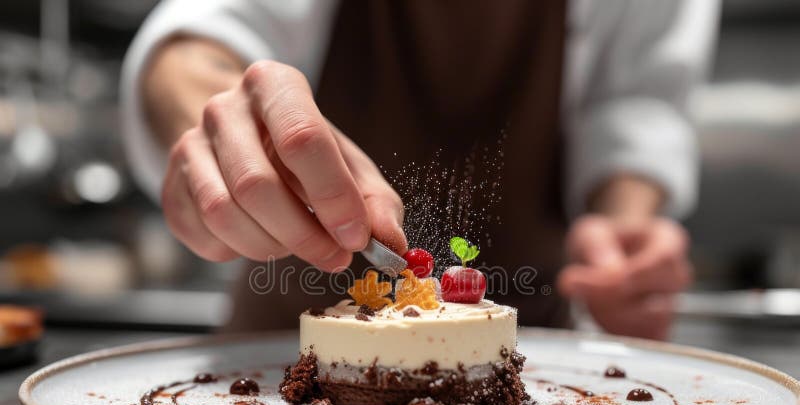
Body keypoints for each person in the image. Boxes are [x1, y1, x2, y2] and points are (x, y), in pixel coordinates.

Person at [121, 0, 719, 339]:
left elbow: (636, 99)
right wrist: (221, 130)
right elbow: (198, 44)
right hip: (275, 354)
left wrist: (622, 226)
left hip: (538, 358)